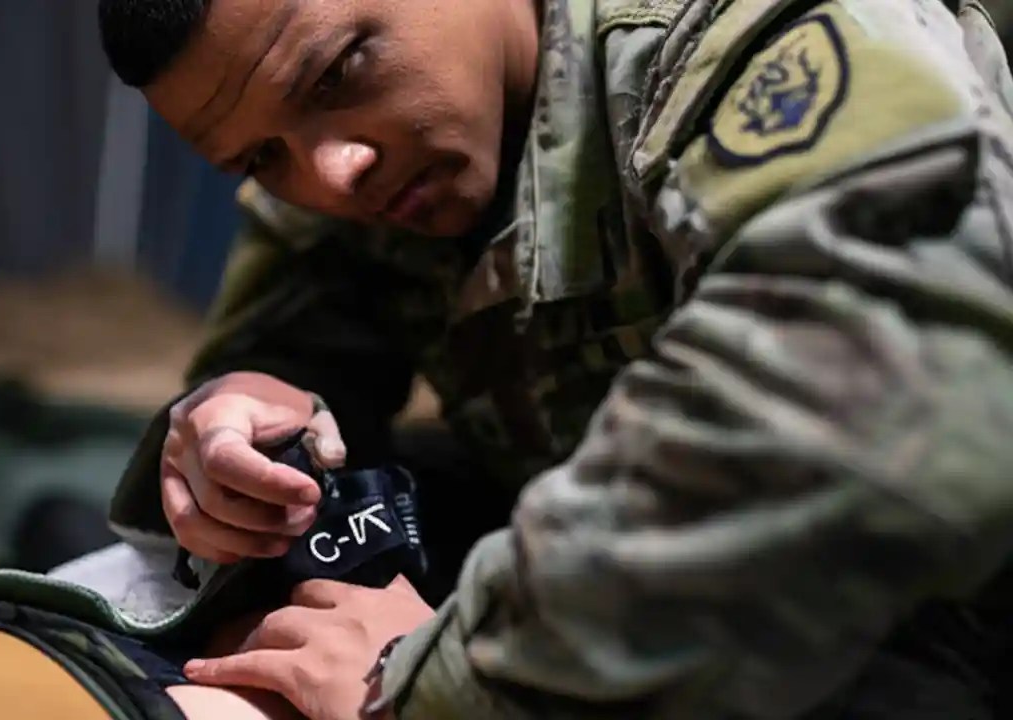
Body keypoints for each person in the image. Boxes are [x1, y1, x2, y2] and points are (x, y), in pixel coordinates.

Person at [96, 0, 1013, 719]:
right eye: (259, 157)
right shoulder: (369, 137)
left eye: (341, 70)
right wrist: (240, 415)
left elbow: (883, 421)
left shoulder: (730, 38)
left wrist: (439, 682)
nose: (330, 175)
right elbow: (292, 343)